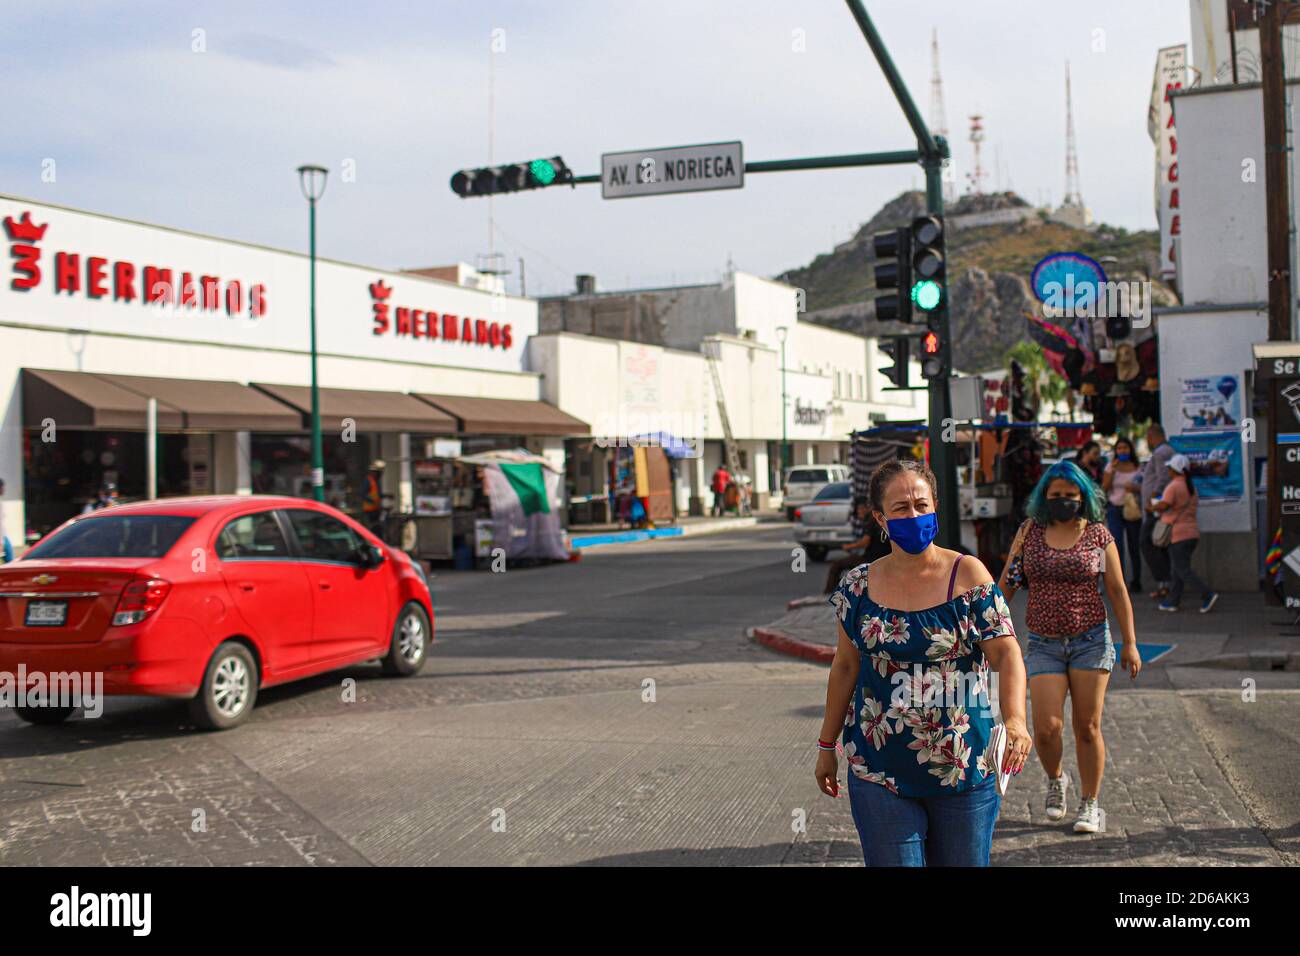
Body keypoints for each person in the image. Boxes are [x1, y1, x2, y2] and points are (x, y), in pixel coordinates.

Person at [815, 459, 1031, 867]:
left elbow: (1006, 653)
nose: (913, 515)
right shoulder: (856, 587)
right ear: (880, 518)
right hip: (879, 769)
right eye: (900, 508)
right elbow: (845, 666)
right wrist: (826, 745)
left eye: (921, 504)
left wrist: (1016, 719)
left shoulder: (968, 575)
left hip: (963, 766)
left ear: (935, 508)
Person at [998, 460, 1141, 835]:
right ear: (1045, 496)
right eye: (1056, 494)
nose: (1063, 500)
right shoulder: (1029, 531)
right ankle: (1056, 779)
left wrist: (1130, 643)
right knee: (1046, 728)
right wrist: (987, 629)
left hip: (1090, 640)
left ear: (1083, 497)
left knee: (1087, 726)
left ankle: (1090, 803)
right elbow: (1009, 583)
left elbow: (1117, 590)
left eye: (1070, 495)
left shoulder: (1097, 535)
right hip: (1043, 642)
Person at [1155, 454, 1219, 614]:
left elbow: (1163, 505)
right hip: (1192, 534)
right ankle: (1173, 601)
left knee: (1182, 570)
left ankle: (1207, 594)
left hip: (1178, 534)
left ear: (1175, 470)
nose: (1168, 471)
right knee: (1178, 570)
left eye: (1170, 468)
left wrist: (1152, 507)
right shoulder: (1191, 487)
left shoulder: (1174, 486)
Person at [1101, 436, 1144, 592]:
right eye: (1119, 448)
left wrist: (1135, 488)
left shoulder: (1137, 466)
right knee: (1117, 546)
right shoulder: (1110, 466)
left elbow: (1144, 488)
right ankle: (1120, 582)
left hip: (1132, 508)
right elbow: (1104, 487)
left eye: (1125, 448)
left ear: (1130, 449)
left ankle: (1136, 581)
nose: (1122, 451)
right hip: (1115, 509)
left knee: (1134, 546)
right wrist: (1112, 469)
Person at [1139, 424, 1176, 600]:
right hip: (1155, 508)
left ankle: (1165, 580)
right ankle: (1165, 583)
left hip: (1156, 509)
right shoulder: (1164, 452)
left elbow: (1163, 478)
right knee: (1157, 545)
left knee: (1146, 542)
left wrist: (1152, 498)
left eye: (1147, 437)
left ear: (1152, 436)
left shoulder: (1161, 453)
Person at [821, 500, 891, 594]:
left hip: (871, 558)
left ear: (866, 508)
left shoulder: (870, 520)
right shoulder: (882, 517)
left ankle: (827, 594)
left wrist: (848, 546)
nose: (859, 513)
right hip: (883, 556)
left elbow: (865, 542)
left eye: (860, 510)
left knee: (836, 566)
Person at [362, 460, 385, 533]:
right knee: (373, 529)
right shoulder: (368, 481)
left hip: (376, 509)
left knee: (378, 528)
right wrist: (371, 501)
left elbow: (377, 495)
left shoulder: (376, 482)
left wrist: (385, 496)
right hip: (369, 511)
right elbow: (362, 494)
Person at [0, 477, 12, 563]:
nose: (4, 489)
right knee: (10, 563)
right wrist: (1, 542)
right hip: (2, 537)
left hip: (3, 536)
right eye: (3, 487)